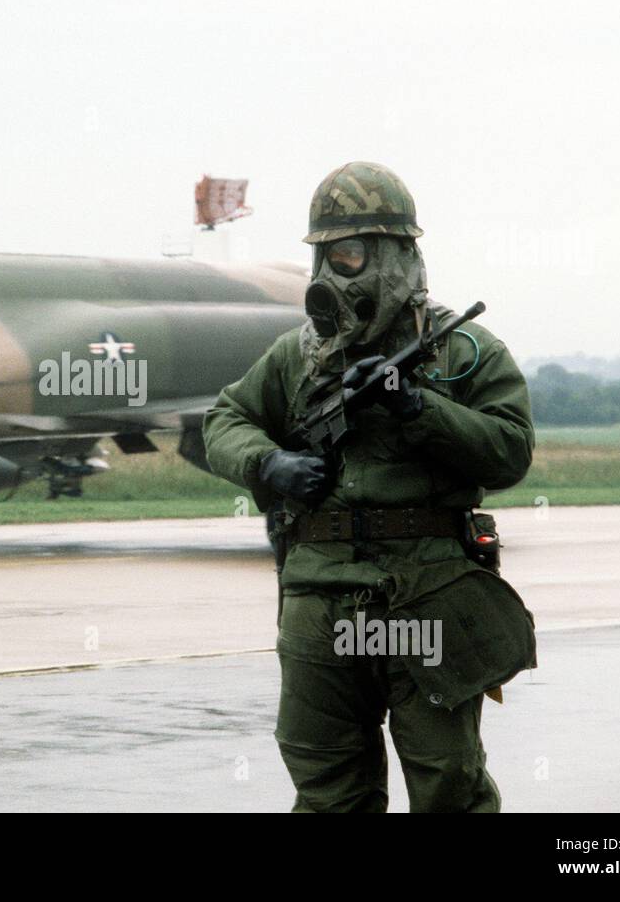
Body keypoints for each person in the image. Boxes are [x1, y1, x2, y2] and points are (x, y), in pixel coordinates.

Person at [202, 162, 535, 812]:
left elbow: (510, 451)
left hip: (429, 593)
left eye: (351, 252)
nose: (335, 271)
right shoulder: (298, 356)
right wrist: (268, 465)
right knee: (328, 787)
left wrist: (418, 409)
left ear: (395, 253)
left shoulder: (462, 350)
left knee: (448, 784)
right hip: (319, 597)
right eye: (325, 254)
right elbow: (224, 420)